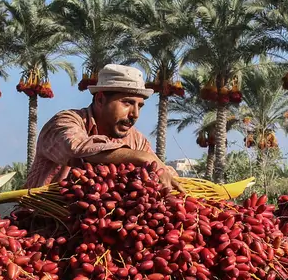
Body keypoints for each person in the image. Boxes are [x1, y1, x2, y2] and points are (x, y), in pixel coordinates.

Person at [25, 64, 180, 191]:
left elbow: (161, 171)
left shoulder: (137, 140)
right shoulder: (66, 122)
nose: (135, 114)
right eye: (127, 103)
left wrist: (166, 173)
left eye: (140, 106)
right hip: (43, 219)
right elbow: (78, 149)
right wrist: (144, 158)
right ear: (100, 100)